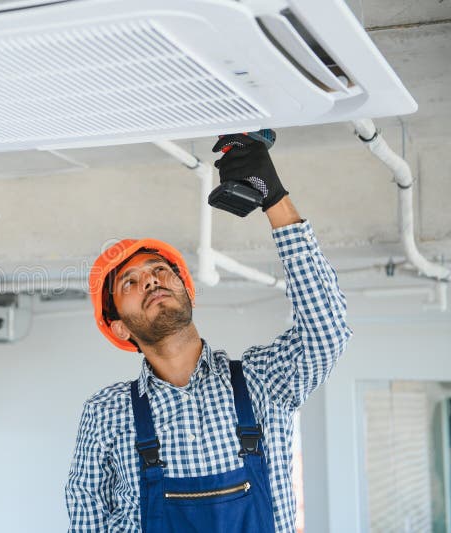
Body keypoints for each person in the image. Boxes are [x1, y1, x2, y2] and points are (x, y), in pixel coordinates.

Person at [65, 134, 353, 532]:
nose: (150, 280)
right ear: (118, 326)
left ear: (187, 290)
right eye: (130, 282)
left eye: (160, 270)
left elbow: (328, 330)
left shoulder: (261, 382)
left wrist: (274, 199)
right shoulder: (106, 414)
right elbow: (87, 524)